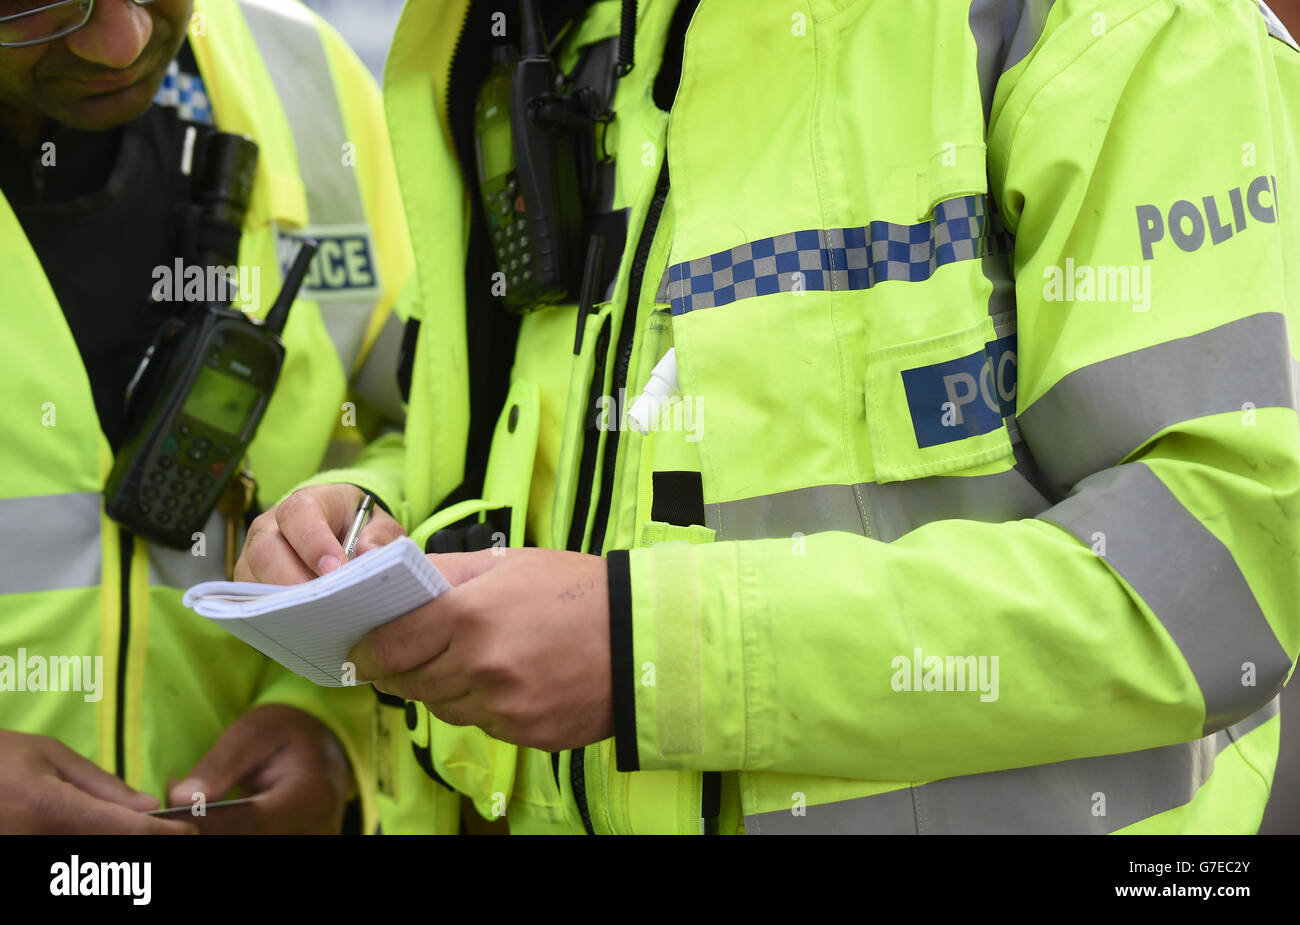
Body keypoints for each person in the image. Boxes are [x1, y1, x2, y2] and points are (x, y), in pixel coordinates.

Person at [240, 0, 1300, 834]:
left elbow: (1214, 574)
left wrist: (646, 652)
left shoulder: (1116, 21)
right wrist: (361, 523)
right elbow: (500, 441)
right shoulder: (549, 36)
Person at [0, 0, 411, 834]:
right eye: (33, 3)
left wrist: (335, 728)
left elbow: (440, 440)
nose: (123, 40)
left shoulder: (315, 79)